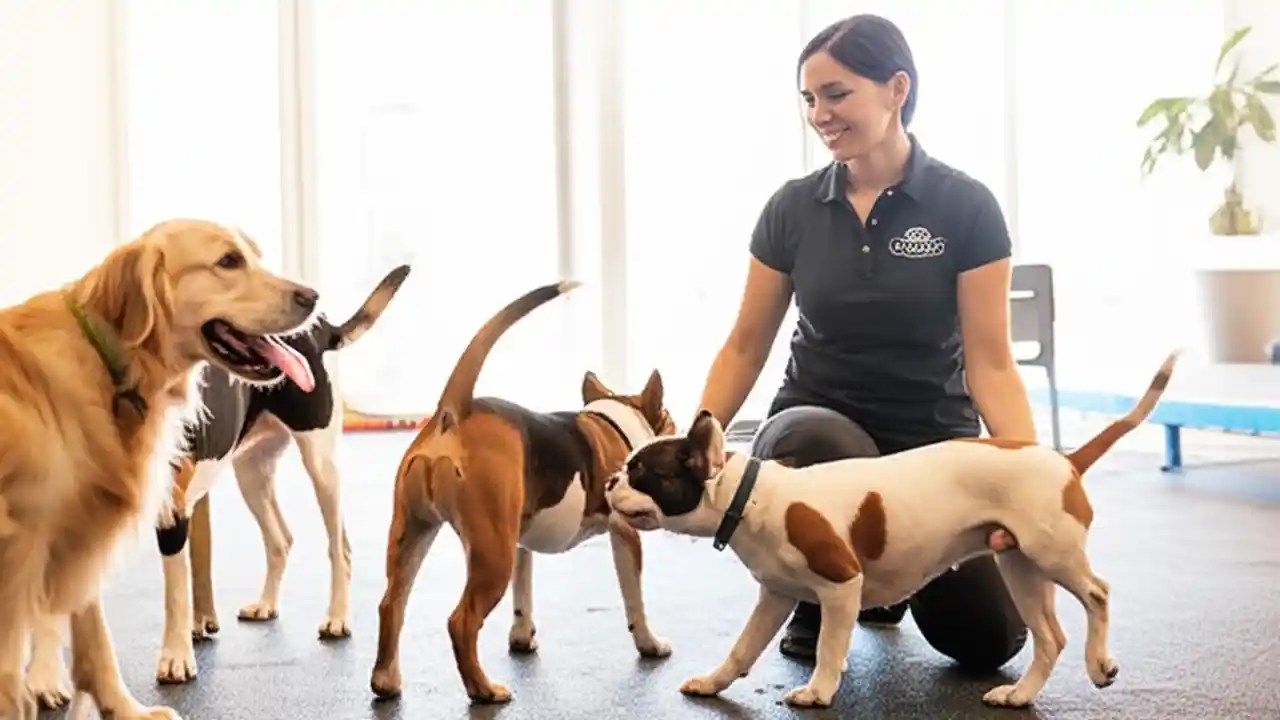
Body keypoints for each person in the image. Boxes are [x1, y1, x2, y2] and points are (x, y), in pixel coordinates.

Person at [693, 13, 1037, 672]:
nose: (819, 113)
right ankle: (819, 593)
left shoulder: (965, 207)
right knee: (816, 443)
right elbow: (744, 345)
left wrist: (1022, 479)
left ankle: (881, 583)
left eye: (836, 93)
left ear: (896, 88)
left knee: (990, 641)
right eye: (809, 98)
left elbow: (992, 362)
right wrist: (698, 437)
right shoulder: (790, 209)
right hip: (816, 432)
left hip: (932, 451)